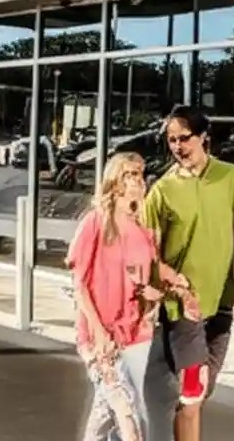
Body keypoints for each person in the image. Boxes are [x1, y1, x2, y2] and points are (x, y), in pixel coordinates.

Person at [142, 106, 234, 441]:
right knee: (193, 396)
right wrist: (175, 286)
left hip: (221, 303)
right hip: (184, 308)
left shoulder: (230, 176)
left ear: (204, 137)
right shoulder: (162, 190)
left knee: (200, 393)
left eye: (184, 138)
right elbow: (150, 254)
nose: (177, 146)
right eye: (171, 139)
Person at [67, 151, 170, 441]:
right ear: (115, 182)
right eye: (130, 174)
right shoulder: (95, 223)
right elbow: (79, 284)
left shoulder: (144, 231)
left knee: (104, 414)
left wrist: (154, 298)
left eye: (140, 173)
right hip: (100, 338)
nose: (138, 179)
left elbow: (145, 283)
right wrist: (98, 333)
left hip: (133, 337)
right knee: (127, 414)